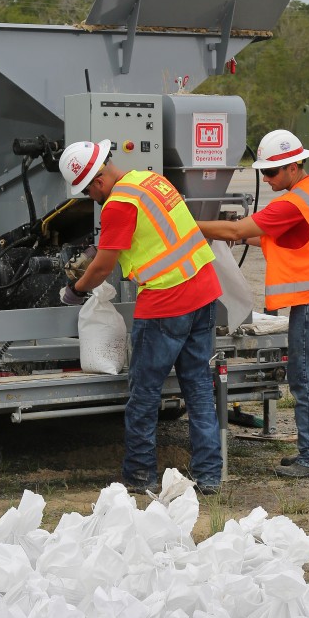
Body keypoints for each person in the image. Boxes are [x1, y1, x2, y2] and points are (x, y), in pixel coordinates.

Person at [58, 138, 223, 495]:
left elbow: (103, 266)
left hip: (166, 302)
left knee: (145, 395)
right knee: (197, 388)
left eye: (88, 191)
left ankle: (139, 475)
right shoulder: (151, 181)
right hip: (204, 291)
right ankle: (209, 476)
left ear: (98, 181)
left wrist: (77, 290)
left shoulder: (117, 203)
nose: (91, 198)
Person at [196, 130, 309, 479]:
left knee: (306, 380)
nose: (266, 178)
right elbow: (270, 235)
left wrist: (191, 227)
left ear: (294, 166)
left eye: (271, 172)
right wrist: (225, 234)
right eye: (264, 172)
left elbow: (239, 231)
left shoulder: (292, 203)